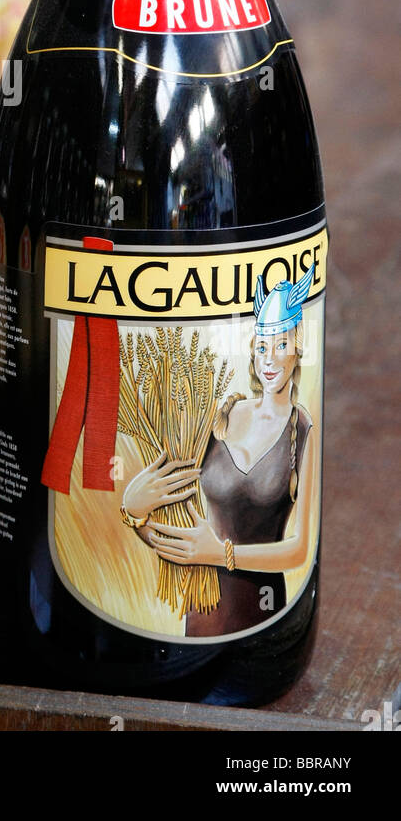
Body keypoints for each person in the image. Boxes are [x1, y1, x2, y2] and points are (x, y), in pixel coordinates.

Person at [121, 266, 318, 636]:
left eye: (281, 345)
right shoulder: (219, 418)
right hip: (200, 617)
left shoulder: (303, 428)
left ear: (297, 350)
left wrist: (220, 555)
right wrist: (134, 512)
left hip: (262, 619)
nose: (270, 359)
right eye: (262, 346)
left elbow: (300, 550)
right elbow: (180, 537)